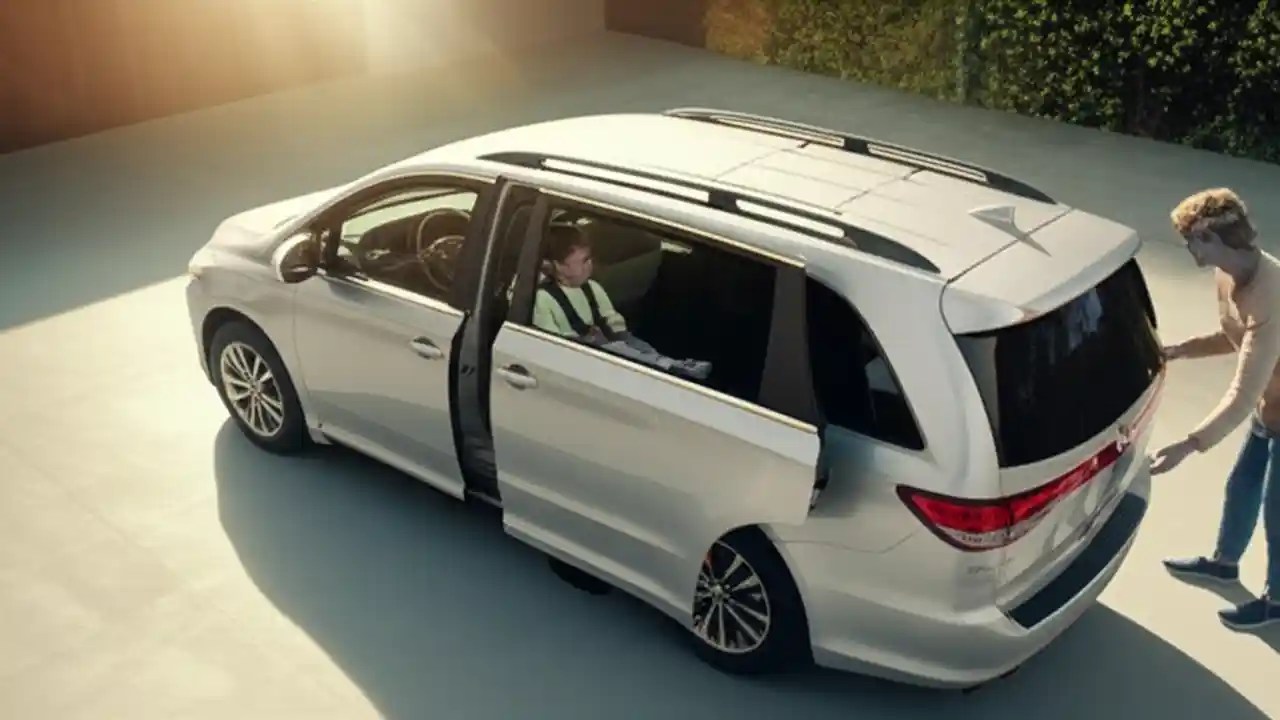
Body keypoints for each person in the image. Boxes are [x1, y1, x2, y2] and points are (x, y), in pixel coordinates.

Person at [1151, 187, 1280, 631]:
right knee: (1242, 485)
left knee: (1278, 507)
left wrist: (1189, 444)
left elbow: (1243, 392)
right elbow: (1235, 338)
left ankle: (1277, 602)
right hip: (1272, 403)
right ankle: (1225, 564)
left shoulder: (1272, 293)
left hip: (1270, 401)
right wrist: (1178, 350)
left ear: (1215, 237)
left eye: (1193, 239)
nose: (1188, 247)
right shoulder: (1226, 274)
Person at [531, 223, 712, 381]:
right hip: (584, 354)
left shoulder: (592, 287)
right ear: (557, 266)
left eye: (590, 258)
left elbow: (611, 316)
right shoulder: (544, 299)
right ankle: (669, 367)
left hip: (610, 340)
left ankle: (667, 362)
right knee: (622, 350)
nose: (590, 264)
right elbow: (550, 338)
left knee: (638, 346)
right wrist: (586, 340)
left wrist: (617, 330)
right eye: (583, 260)